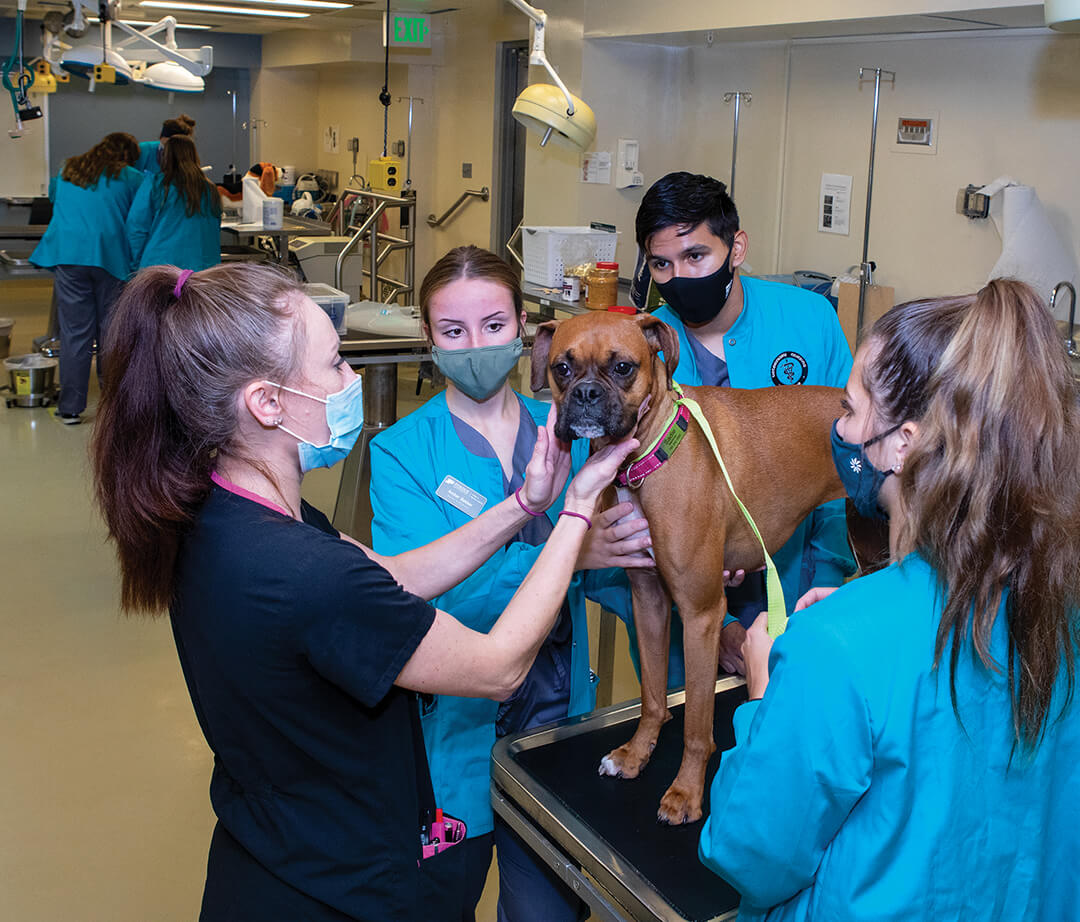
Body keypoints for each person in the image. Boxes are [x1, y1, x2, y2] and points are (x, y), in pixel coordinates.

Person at [90, 262, 636, 922]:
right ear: (268, 403)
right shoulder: (306, 574)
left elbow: (396, 578)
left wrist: (523, 505)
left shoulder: (228, 514)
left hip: (267, 852)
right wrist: (575, 514)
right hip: (334, 890)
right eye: (336, 364)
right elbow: (498, 668)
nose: (353, 381)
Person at [699, 279, 1080, 920]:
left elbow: (750, 854)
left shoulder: (834, 645)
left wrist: (763, 697)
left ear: (903, 442)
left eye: (852, 409)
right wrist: (853, 621)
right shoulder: (1071, 613)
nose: (839, 428)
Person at [369, 246, 651, 922]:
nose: (476, 346)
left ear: (524, 327)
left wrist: (676, 564)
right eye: (453, 331)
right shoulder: (402, 454)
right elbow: (430, 604)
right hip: (451, 743)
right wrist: (567, 554)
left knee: (548, 912)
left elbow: (616, 574)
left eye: (494, 326)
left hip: (555, 724)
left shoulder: (575, 427)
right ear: (428, 338)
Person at [636, 170, 856, 674]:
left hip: (800, 591)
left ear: (736, 248)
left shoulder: (809, 319)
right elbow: (625, 513)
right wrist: (720, 628)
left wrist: (829, 583)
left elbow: (848, 459)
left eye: (696, 257)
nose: (679, 278)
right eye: (661, 264)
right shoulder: (639, 351)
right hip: (684, 625)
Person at [31, 132, 142, 424]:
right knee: (110, 332)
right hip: (110, 258)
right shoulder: (132, 177)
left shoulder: (68, 168)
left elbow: (57, 200)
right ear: (127, 157)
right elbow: (138, 218)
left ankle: (69, 408)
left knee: (74, 332)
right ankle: (113, 407)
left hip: (69, 254)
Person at [128, 134, 221, 273]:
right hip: (202, 268)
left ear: (165, 156)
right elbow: (214, 229)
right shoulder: (210, 190)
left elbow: (136, 228)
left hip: (160, 267)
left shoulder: (155, 185)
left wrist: (136, 267)